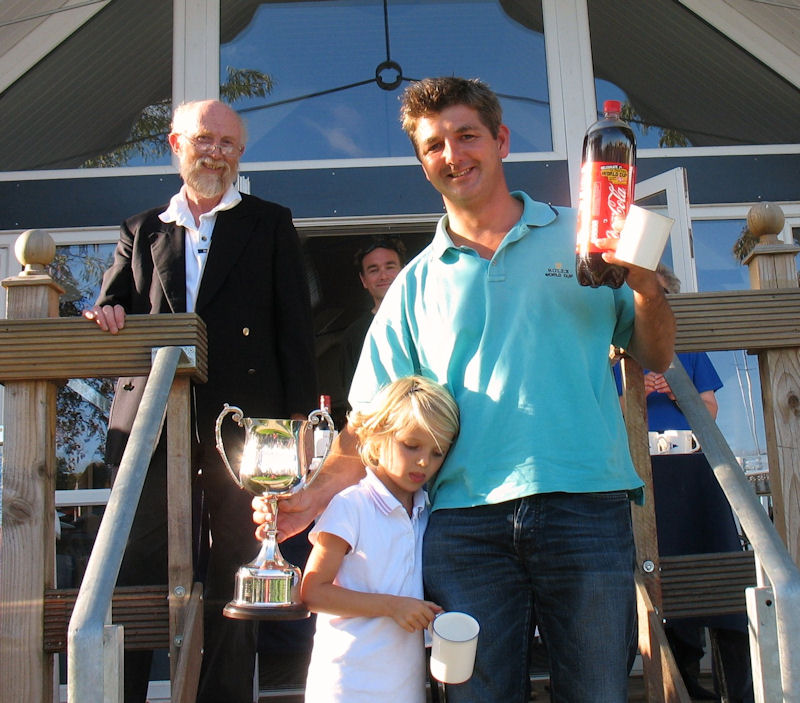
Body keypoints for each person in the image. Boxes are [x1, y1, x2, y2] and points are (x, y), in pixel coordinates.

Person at [255, 76, 675, 702]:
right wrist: (310, 498)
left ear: (501, 141)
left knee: (597, 693)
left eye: (466, 136)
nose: (452, 155)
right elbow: (367, 423)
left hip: (586, 504)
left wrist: (645, 287)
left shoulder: (587, 236)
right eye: (434, 146)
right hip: (462, 525)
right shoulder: (413, 284)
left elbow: (656, 352)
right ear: (422, 162)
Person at [84, 99, 317, 703]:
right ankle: (125, 693)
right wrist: (104, 314)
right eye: (205, 140)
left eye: (228, 144)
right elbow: (111, 306)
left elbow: (294, 326)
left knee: (239, 564)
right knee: (137, 562)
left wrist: (297, 426)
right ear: (176, 144)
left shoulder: (270, 222)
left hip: (248, 427)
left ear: (240, 154)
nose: (216, 153)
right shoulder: (141, 230)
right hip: (152, 426)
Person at [613, 264, 753, 702]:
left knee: (717, 562)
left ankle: (738, 688)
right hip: (642, 469)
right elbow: (604, 413)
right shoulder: (612, 352)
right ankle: (684, 685)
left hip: (691, 467)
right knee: (662, 575)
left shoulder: (687, 348)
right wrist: (637, 390)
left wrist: (677, 390)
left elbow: (709, 408)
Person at [301, 375, 458, 702]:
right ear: (378, 436)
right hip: (346, 686)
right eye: (411, 445)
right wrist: (392, 606)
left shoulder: (427, 512)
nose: (423, 462)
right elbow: (312, 591)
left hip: (404, 688)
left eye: (437, 452)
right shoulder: (350, 505)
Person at [336, 236, 406, 420]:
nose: (383, 276)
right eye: (374, 270)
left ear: (404, 271)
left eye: (390, 267)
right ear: (363, 280)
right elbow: (352, 397)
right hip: (375, 426)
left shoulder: (425, 319)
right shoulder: (354, 335)